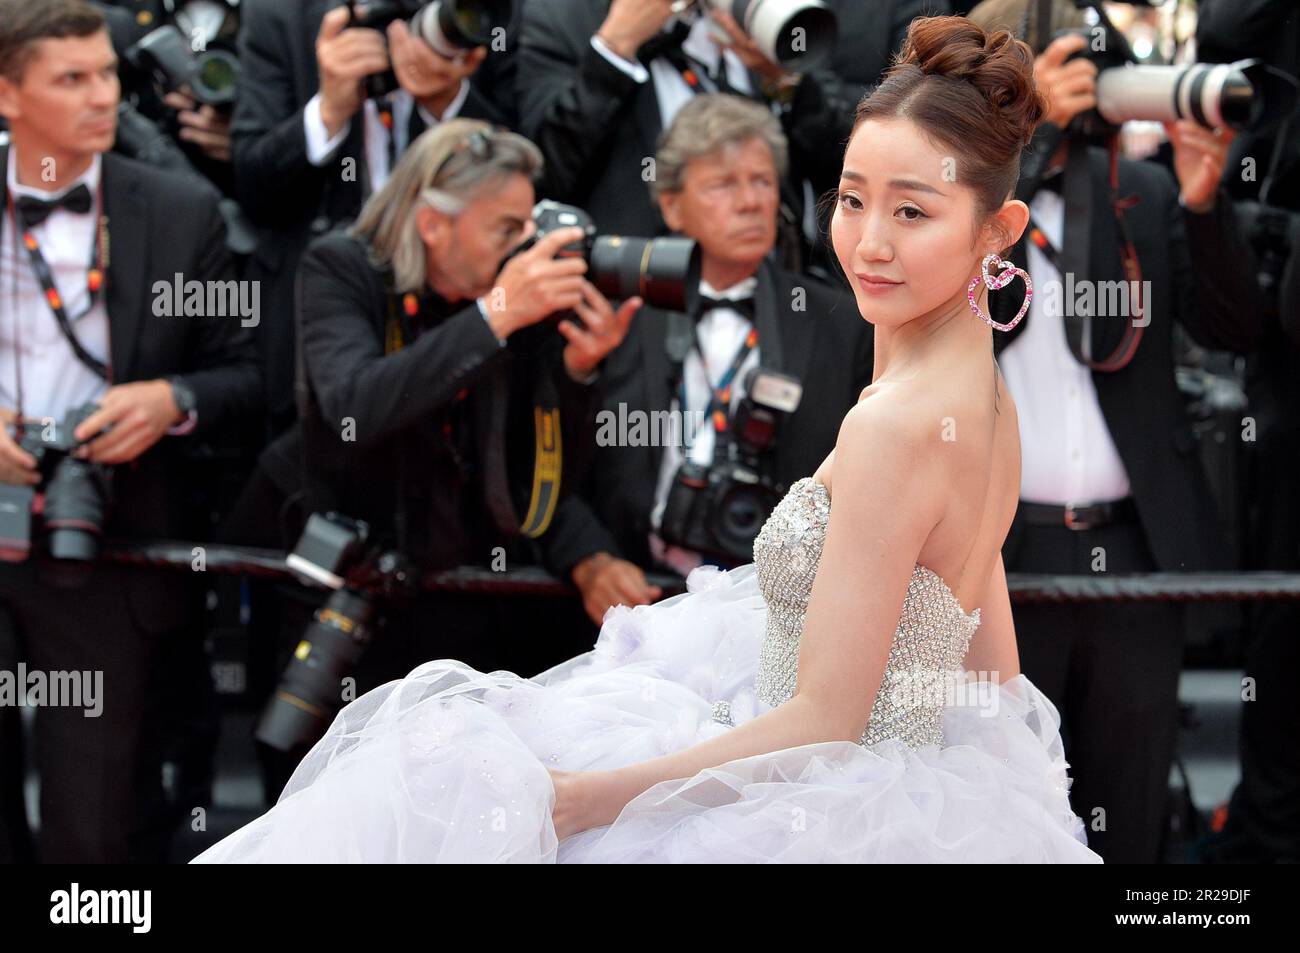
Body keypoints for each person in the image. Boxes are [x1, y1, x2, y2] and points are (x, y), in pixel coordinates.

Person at [192, 16, 1102, 863]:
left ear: (999, 231)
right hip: (899, 793)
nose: (867, 242)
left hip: (815, 803)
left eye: (913, 212)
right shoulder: (986, 403)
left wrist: (582, 799)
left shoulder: (893, 424)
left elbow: (824, 721)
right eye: (852, 199)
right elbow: (992, 677)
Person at [967, 0, 1263, 863]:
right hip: (997, 554)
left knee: (1126, 813)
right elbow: (960, 316)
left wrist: (1205, 205)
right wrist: (1023, 148)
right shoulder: (960, 199)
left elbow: (1235, 327)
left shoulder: (1149, 191)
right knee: (1001, 806)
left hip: (1135, 553)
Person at [0, 0, 260, 863]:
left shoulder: (181, 210)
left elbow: (251, 374)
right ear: (7, 94)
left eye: (107, 72)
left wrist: (169, 398)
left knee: (96, 814)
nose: (102, 95)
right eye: (71, 79)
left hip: (107, 542)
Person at [540, 93, 873, 627]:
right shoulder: (613, 314)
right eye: (723, 184)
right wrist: (588, 560)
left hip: (783, 617)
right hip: (636, 605)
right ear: (670, 205)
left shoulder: (842, 321)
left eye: (762, 181)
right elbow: (544, 464)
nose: (750, 201)